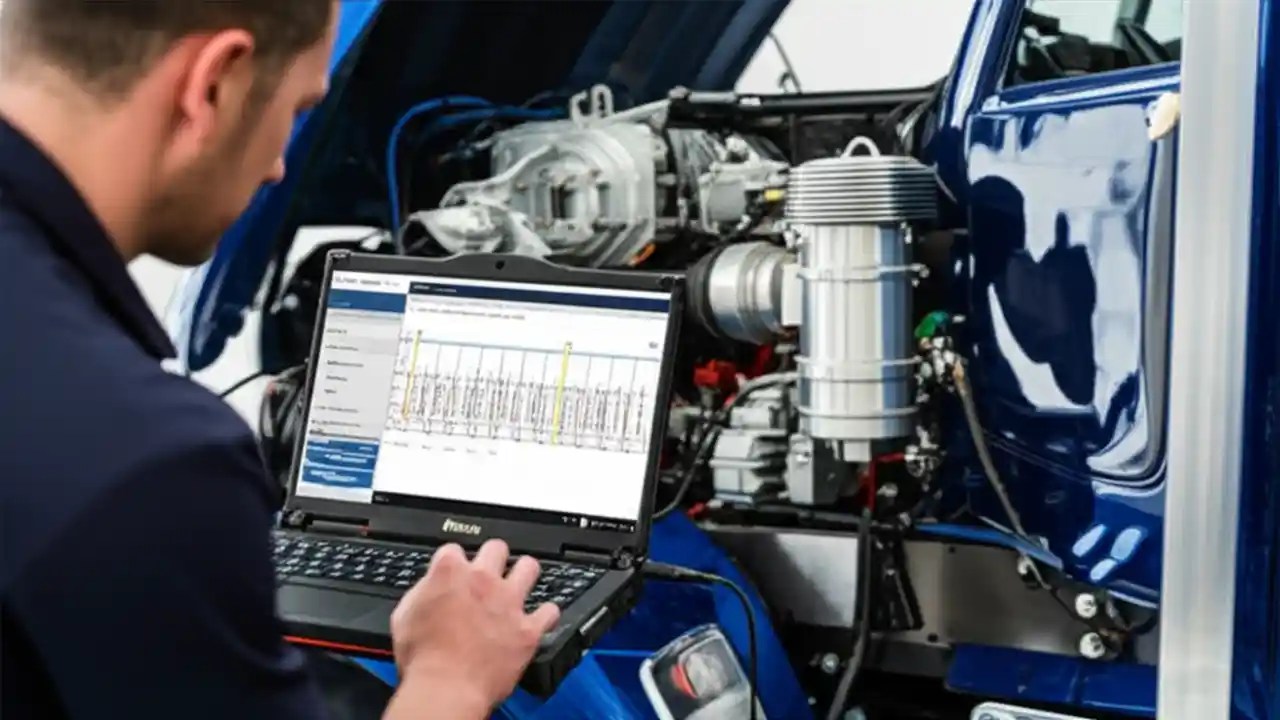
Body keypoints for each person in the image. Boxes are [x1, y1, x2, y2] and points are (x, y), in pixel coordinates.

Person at [0, 2, 559, 719]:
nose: (276, 167)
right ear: (214, 83)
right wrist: (449, 678)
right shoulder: (147, 465)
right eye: (296, 111)